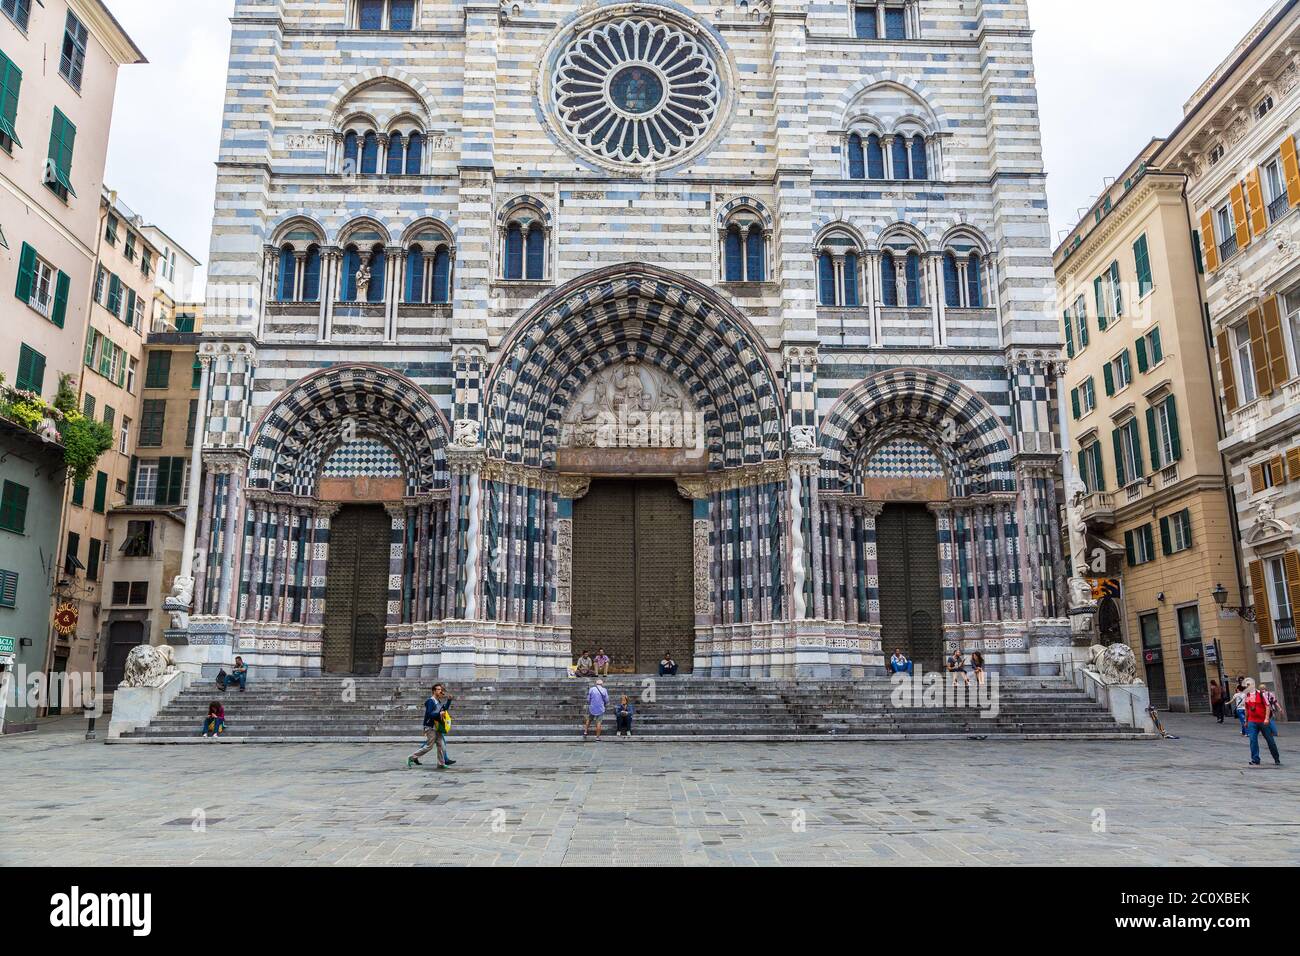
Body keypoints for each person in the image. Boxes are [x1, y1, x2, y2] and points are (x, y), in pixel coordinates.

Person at [407, 683, 456, 769]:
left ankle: (441, 763)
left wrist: (449, 700)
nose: (440, 691)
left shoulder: (438, 702)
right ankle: (412, 757)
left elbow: (444, 709)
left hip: (438, 726)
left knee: (440, 744)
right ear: (434, 691)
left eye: (441, 690)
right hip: (430, 727)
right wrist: (439, 714)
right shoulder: (431, 701)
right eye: (438, 689)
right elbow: (430, 714)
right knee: (429, 746)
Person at [1243, 678, 1281, 767]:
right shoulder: (1247, 696)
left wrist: (1267, 718)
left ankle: (1276, 758)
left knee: (1270, 740)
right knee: (1252, 740)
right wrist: (1246, 720)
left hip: (1263, 721)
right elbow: (1247, 709)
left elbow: (1267, 706)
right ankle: (1255, 759)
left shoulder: (1261, 694)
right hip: (1252, 721)